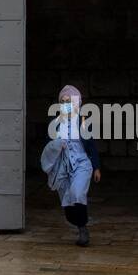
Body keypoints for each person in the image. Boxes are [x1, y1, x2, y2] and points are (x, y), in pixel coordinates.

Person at [39, 84, 101, 246]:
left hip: (81, 163)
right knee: (67, 201)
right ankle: (80, 225)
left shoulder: (83, 122)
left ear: (77, 102)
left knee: (77, 193)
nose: (67, 104)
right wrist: (56, 145)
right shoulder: (55, 123)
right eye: (63, 101)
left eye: (70, 101)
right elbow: (47, 146)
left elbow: (91, 145)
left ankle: (83, 229)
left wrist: (96, 167)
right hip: (63, 165)